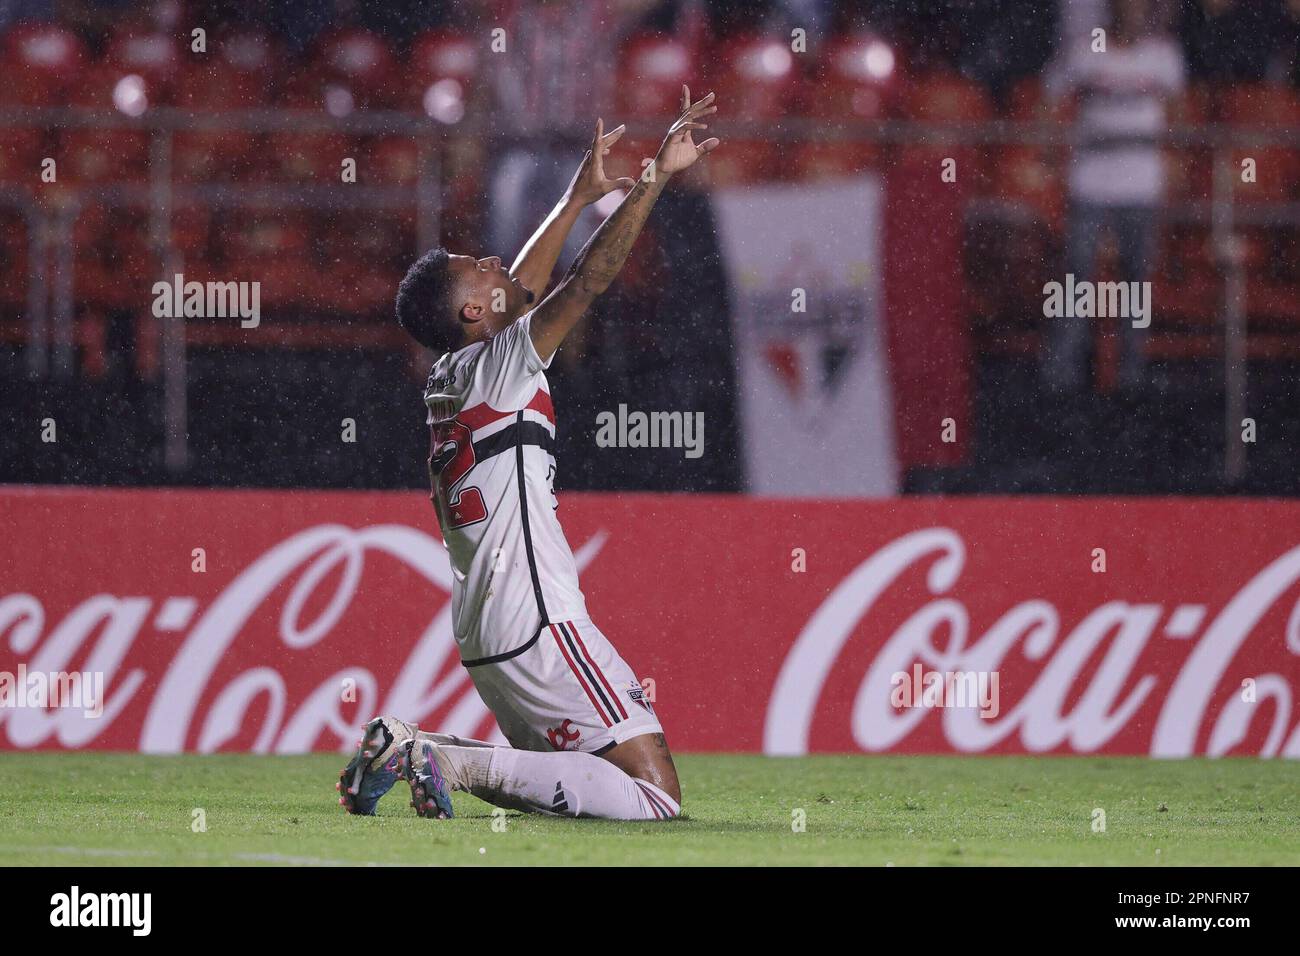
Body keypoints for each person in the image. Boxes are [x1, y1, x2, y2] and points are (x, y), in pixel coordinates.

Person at [336, 88, 719, 821]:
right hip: (538, 620)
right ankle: (435, 755)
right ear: (474, 314)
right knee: (654, 797)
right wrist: (653, 180)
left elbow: (526, 289)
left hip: (488, 633)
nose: (490, 259)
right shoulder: (501, 364)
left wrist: (576, 197)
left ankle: (413, 748)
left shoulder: (455, 375)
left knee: (569, 786)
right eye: (475, 266)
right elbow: (584, 284)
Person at [1041, 0, 1185, 395]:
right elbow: (1051, 99)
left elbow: (1180, 116)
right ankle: (1059, 375)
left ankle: (1132, 377)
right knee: (1074, 283)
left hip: (1142, 187)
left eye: (1141, 8)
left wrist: (1174, 161)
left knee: (1136, 285)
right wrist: (1052, 149)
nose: (1134, 13)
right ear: (1113, 10)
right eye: (1127, 7)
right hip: (1090, 184)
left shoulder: (1163, 57)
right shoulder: (1087, 51)